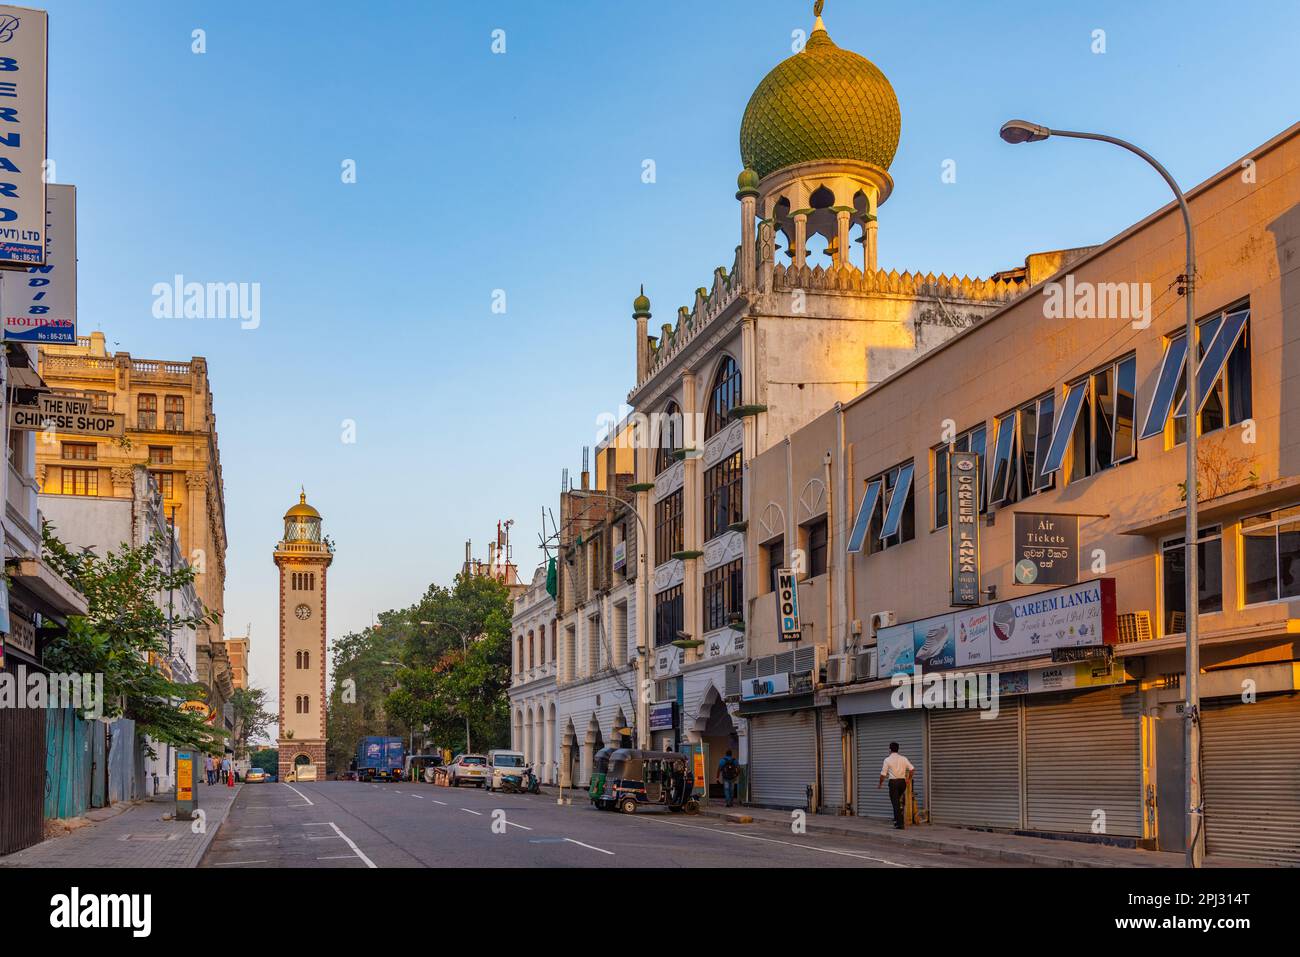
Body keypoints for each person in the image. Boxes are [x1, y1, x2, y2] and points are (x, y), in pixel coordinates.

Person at [877, 742, 914, 829]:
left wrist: (880, 783)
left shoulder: (887, 760)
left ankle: (900, 824)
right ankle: (896, 819)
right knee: (897, 801)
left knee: (895, 803)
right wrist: (908, 779)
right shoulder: (903, 758)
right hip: (902, 783)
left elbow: (883, 774)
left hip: (893, 783)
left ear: (890, 750)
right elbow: (912, 769)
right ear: (898, 749)